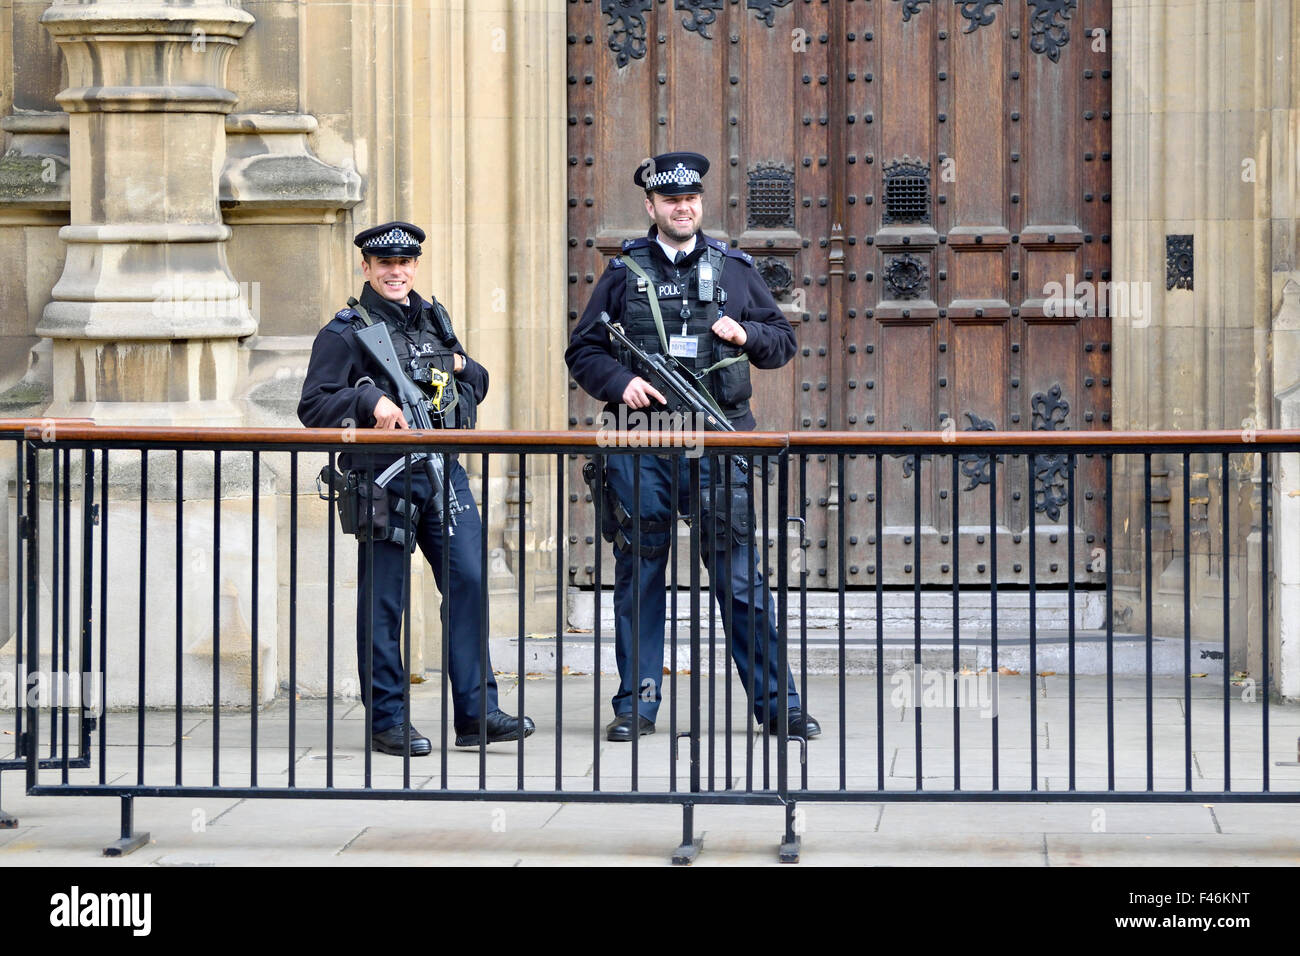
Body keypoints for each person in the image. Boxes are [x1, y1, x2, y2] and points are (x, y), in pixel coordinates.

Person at [566, 153, 820, 742]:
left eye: (692, 200)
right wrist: (620, 382)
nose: (684, 208)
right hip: (643, 447)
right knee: (640, 573)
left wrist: (746, 332)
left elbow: (782, 343)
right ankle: (636, 705)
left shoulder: (733, 269)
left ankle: (777, 704)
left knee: (739, 579)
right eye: (672, 201)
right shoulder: (623, 273)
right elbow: (583, 350)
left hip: (718, 446)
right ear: (651, 207)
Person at [298, 221, 534, 756]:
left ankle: (477, 714)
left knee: (470, 580)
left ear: (416, 267)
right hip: (383, 479)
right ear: (366, 268)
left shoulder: (432, 321)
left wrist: (458, 364)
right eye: (385, 264)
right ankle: (388, 720)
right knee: (385, 601)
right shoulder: (345, 332)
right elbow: (313, 406)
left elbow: (477, 379)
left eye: (405, 263)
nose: (396, 272)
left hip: (441, 470)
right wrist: (366, 403)